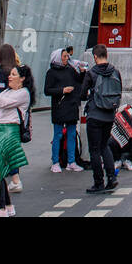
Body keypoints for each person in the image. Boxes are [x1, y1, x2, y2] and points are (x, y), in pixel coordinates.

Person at [0, 65, 30, 216]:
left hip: (7, 133)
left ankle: (0, 207)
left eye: (14, 74)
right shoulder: (8, 91)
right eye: (10, 74)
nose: (9, 77)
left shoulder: (23, 93)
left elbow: (2, 103)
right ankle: (7, 206)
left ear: (22, 78)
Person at [79, 44, 122, 194]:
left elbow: (82, 94)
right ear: (107, 55)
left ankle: (98, 182)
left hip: (95, 114)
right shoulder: (115, 71)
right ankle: (112, 178)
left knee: (95, 149)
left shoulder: (91, 73)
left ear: (95, 57)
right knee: (105, 146)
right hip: (110, 114)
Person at [45, 47, 85, 173]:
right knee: (58, 134)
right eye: (64, 56)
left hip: (71, 105)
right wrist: (62, 90)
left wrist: (82, 72)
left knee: (72, 134)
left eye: (67, 56)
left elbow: (79, 80)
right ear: (58, 58)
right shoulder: (51, 73)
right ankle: (55, 161)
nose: (67, 59)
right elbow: (47, 90)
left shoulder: (70, 69)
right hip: (60, 105)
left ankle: (71, 161)